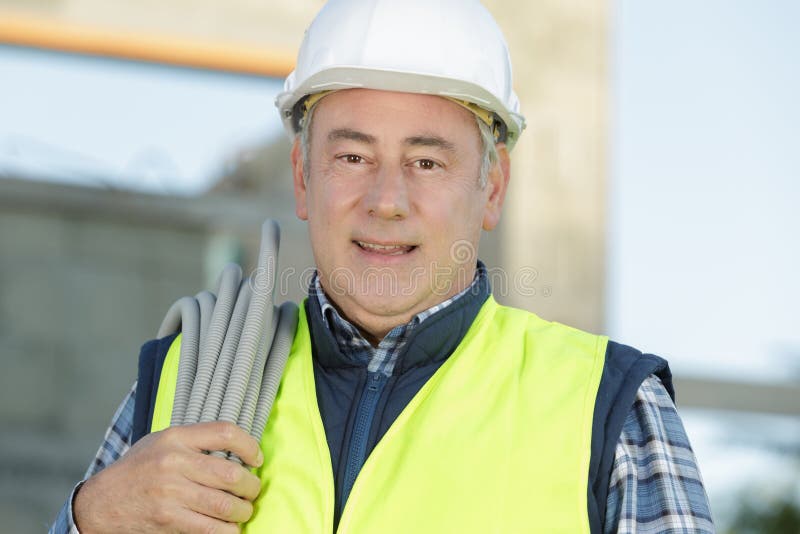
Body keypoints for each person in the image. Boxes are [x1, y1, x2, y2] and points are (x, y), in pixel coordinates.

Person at [51, 0, 714, 532]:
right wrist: (88, 519)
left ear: (492, 187)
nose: (387, 200)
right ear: (303, 179)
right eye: (352, 157)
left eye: (427, 162)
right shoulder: (174, 385)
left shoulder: (610, 409)